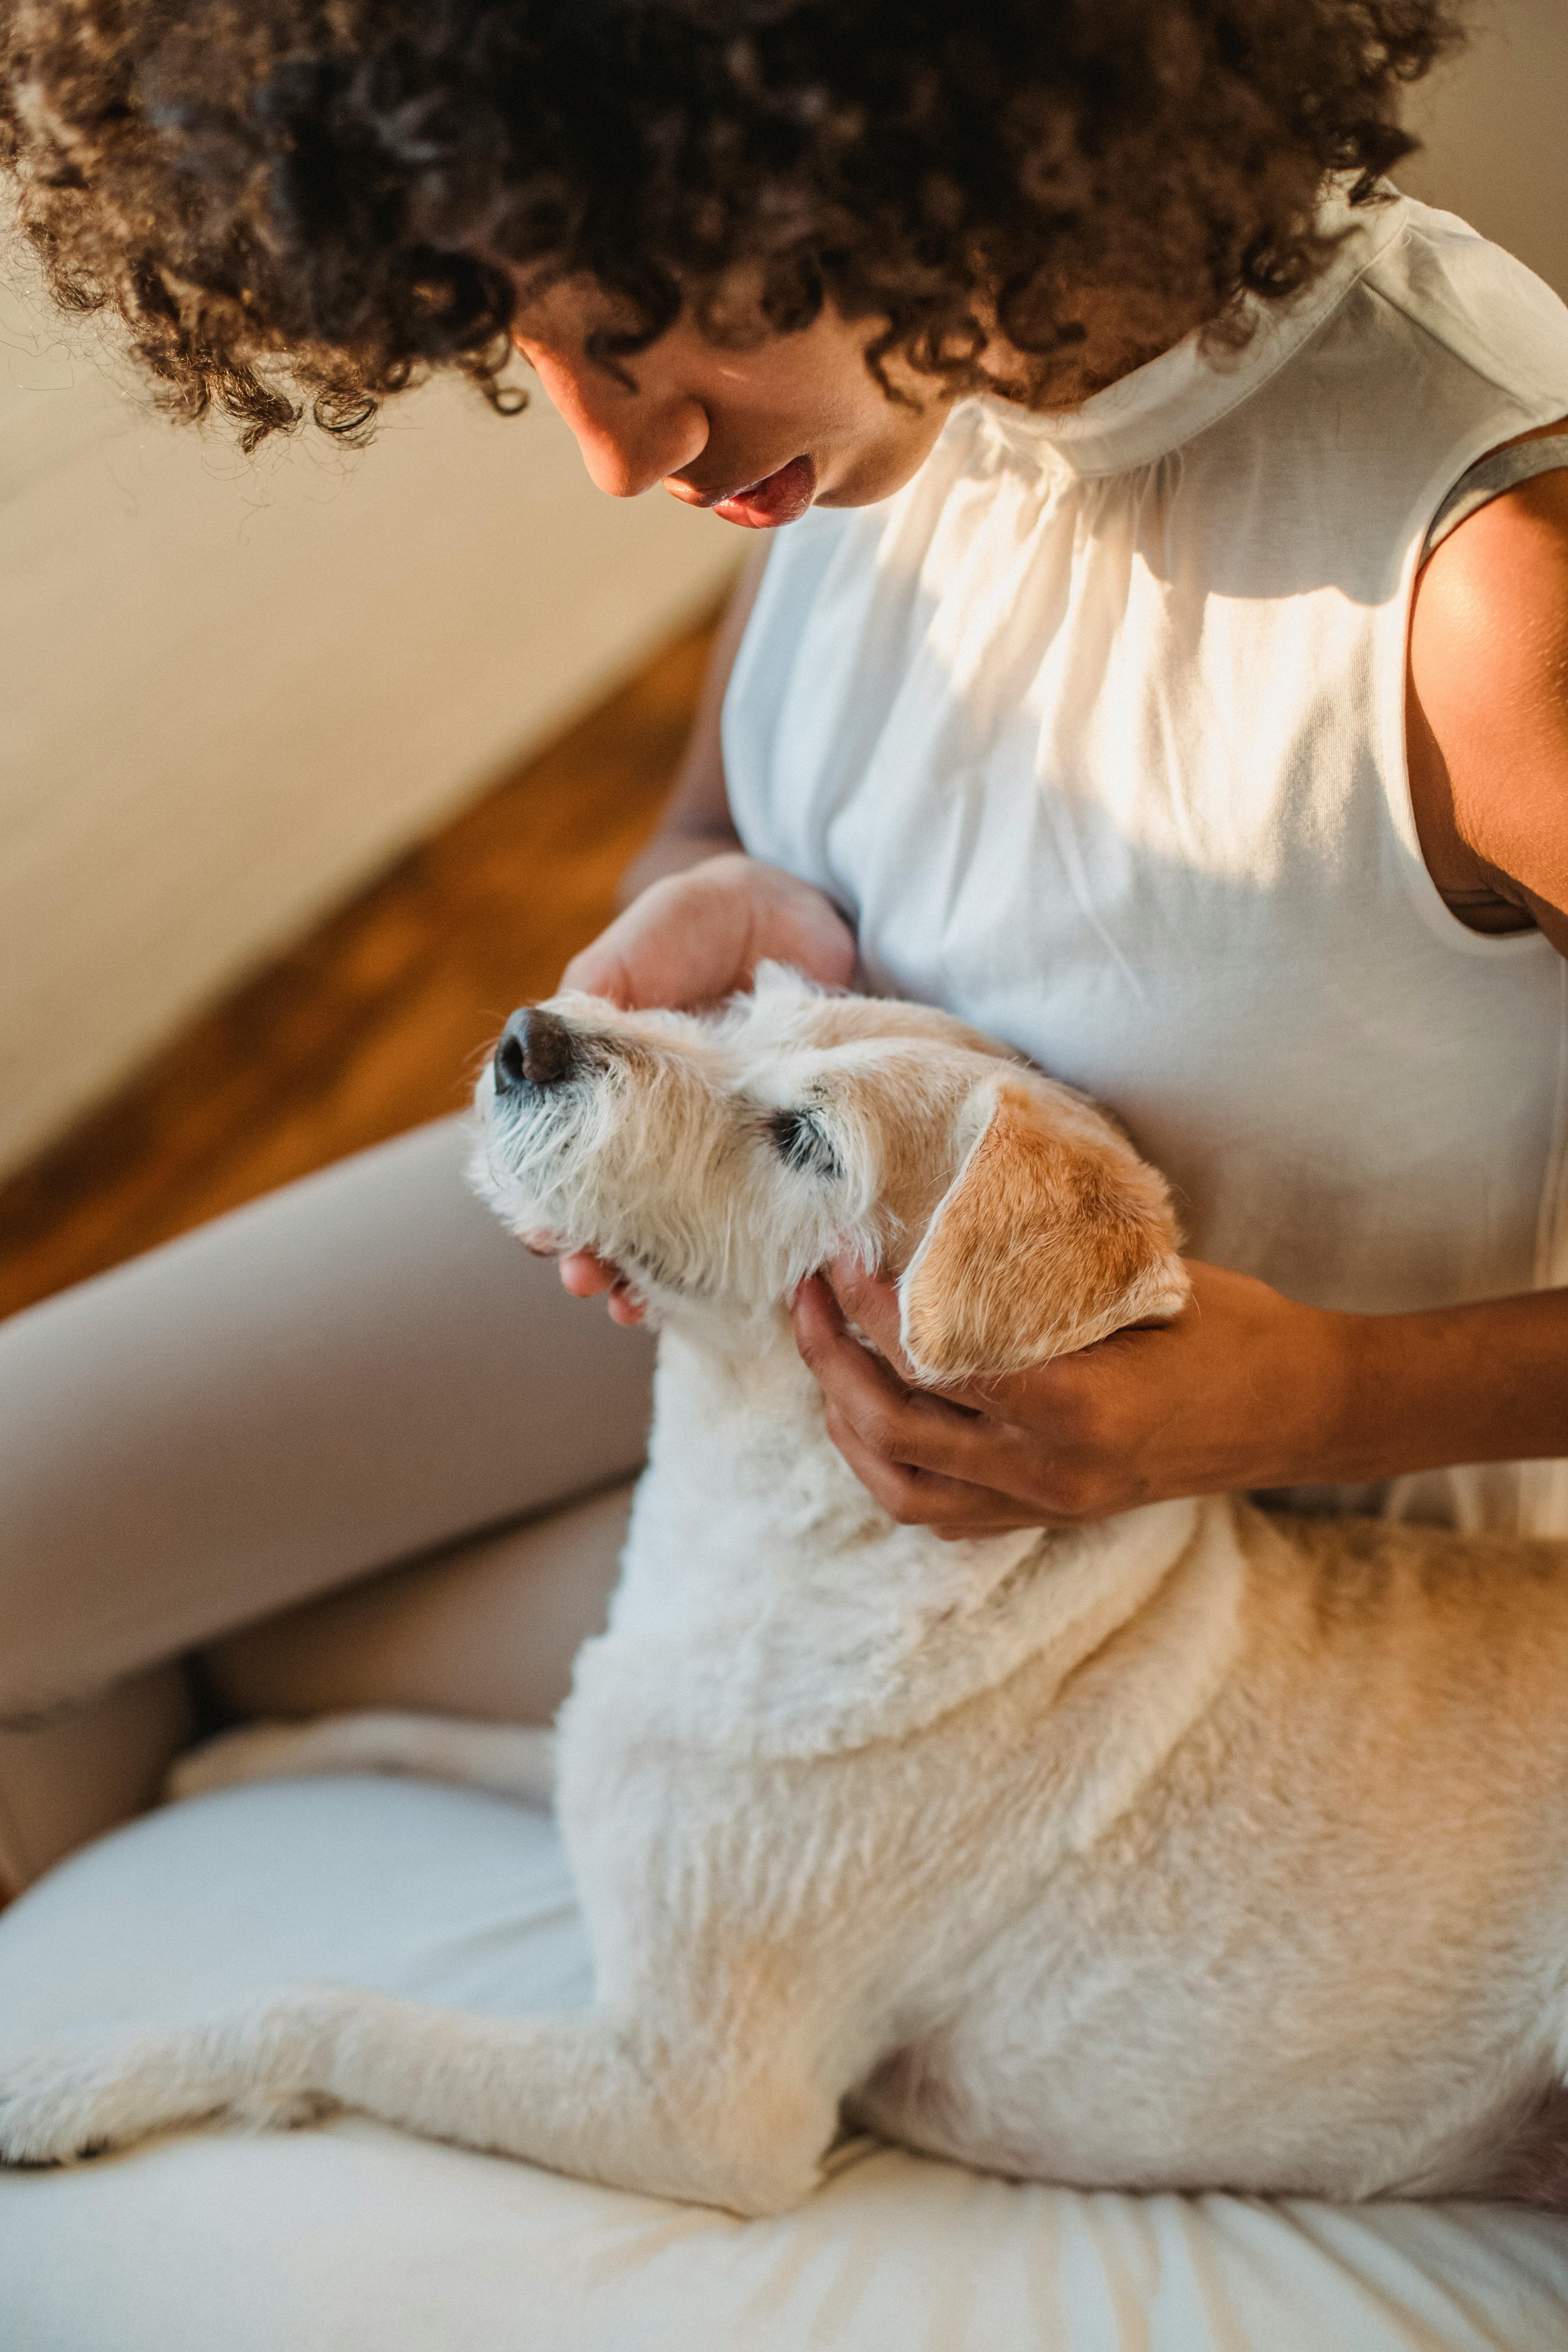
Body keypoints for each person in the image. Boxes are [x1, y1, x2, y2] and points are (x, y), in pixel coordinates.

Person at [2, 0, 1566, 1731]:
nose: (615, 457)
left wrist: (1327, 1395)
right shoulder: (913, 391)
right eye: (528, 345)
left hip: (1216, 1542)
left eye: (635, 331)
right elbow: (710, 820)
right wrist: (703, 901)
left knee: (217, 1669)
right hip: (760, 1290)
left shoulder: (1490, 595)